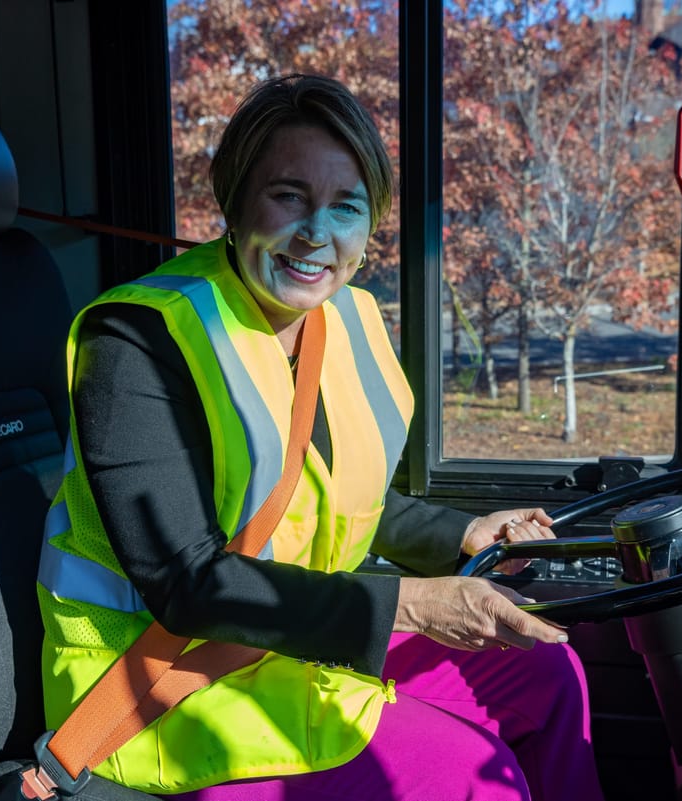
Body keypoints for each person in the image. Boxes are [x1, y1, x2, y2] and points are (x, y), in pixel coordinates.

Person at [36, 73, 604, 801]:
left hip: (290, 638)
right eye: (289, 196)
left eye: (346, 207)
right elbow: (188, 585)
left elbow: (329, 496)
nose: (316, 234)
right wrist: (412, 603)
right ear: (235, 201)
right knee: (469, 776)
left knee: (545, 672)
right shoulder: (139, 339)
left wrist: (464, 534)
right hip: (161, 680)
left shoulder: (349, 318)